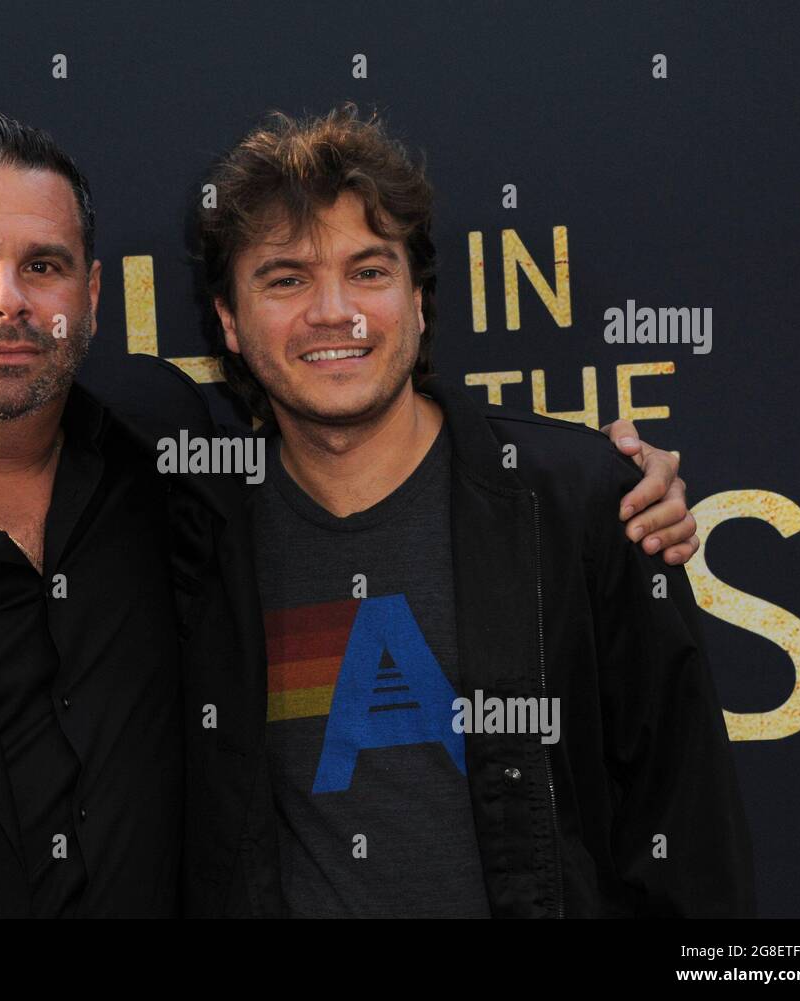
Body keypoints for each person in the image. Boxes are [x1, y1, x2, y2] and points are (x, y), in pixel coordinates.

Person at [0, 103, 697, 918]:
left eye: (44, 264)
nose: (8, 299)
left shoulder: (171, 469)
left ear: (92, 296)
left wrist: (593, 476)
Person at [194, 104, 755, 916]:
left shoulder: (582, 499)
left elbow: (687, 829)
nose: (333, 311)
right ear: (230, 326)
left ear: (419, 302)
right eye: (286, 279)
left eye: (369, 271)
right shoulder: (196, 538)